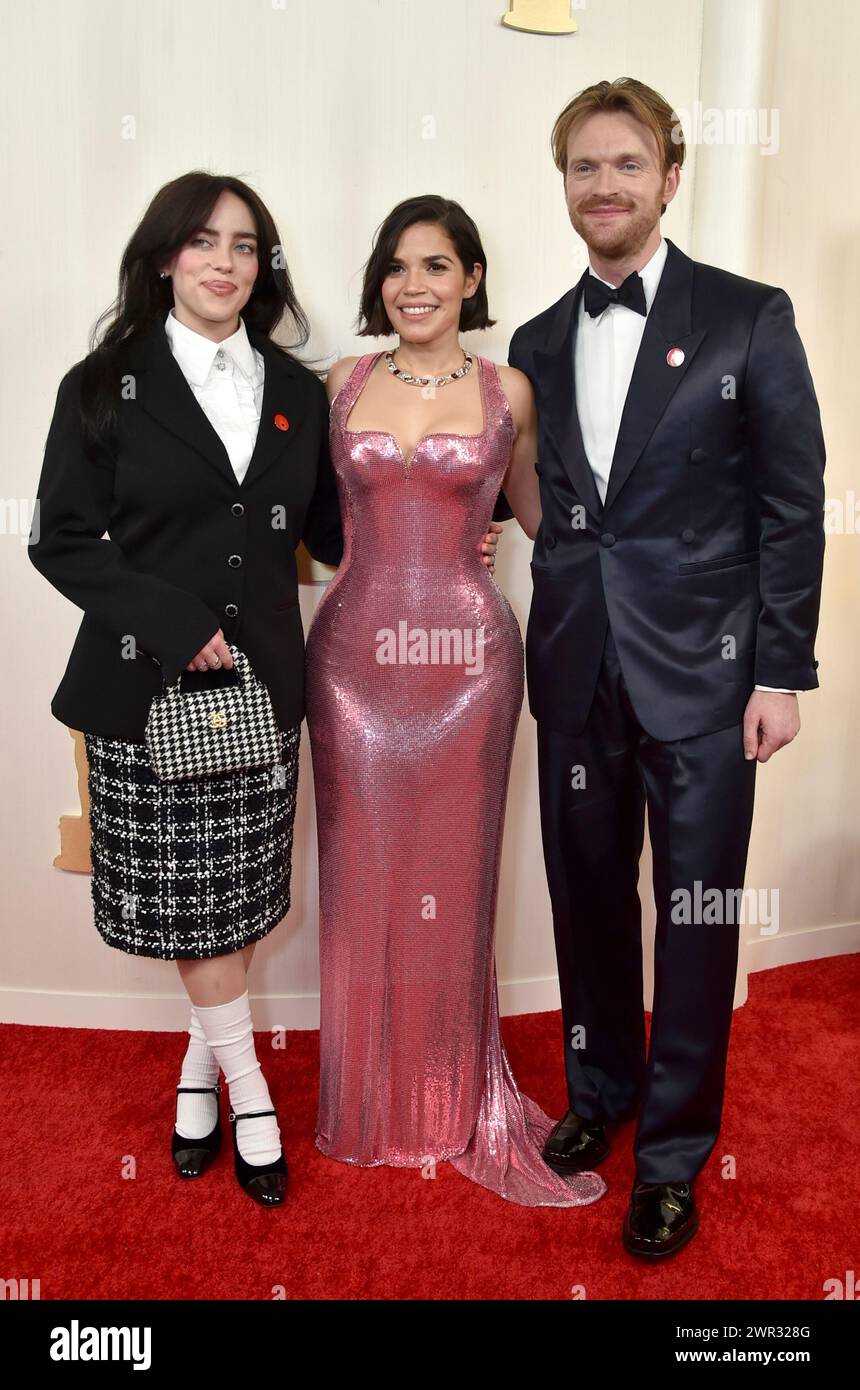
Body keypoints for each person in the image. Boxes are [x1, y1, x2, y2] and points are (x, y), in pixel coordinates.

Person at [507, 78, 825, 1253]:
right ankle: (600, 1097)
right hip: (575, 664)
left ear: (668, 178)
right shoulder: (537, 338)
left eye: (625, 165)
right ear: (565, 185)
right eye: (583, 167)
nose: (603, 186)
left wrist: (777, 672)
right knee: (583, 898)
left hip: (708, 675)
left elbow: (793, 506)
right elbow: (543, 504)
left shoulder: (748, 316)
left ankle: (677, 1152)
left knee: (692, 914)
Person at [29, 172, 347, 1208]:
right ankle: (250, 1090)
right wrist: (174, 622)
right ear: (164, 255)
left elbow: (335, 533)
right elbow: (61, 539)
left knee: (240, 900)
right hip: (142, 694)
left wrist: (453, 513)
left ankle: (200, 1062)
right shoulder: (102, 382)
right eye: (203, 241)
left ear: (263, 267)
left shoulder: (301, 394)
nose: (224, 261)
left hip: (266, 696)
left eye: (245, 245)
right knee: (195, 909)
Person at [305, 195, 606, 1208]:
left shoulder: (506, 385)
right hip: (350, 665)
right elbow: (305, 522)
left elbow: (542, 517)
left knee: (453, 882)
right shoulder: (343, 380)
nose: (412, 285)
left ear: (470, 278)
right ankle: (365, 1101)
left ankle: (443, 1101)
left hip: (468, 665)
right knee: (360, 880)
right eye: (396, 267)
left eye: (435, 265)